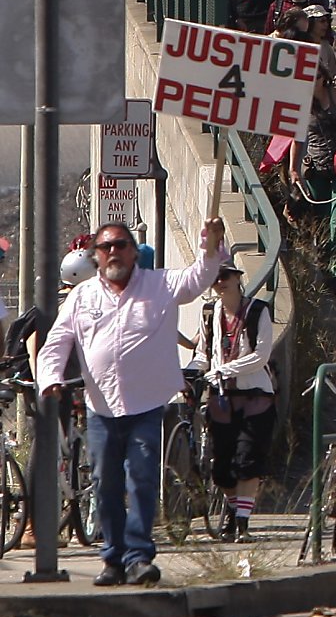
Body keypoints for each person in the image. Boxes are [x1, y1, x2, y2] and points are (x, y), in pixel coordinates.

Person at [38, 215, 227, 586]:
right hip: (101, 408)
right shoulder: (82, 296)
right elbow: (58, 341)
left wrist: (211, 243)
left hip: (146, 405)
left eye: (121, 245)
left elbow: (199, 276)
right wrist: (50, 377)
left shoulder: (160, 285)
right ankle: (113, 559)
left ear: (133, 252)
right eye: (106, 246)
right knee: (105, 483)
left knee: (141, 479)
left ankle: (139, 557)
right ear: (95, 255)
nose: (114, 252)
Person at [196, 258, 276, 541]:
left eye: (226, 276)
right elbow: (203, 352)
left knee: (247, 459)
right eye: (216, 277)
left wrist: (225, 370)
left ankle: (242, 522)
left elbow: (261, 356)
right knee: (221, 468)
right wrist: (195, 371)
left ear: (238, 277)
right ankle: (233, 508)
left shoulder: (258, 311)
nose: (221, 282)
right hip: (221, 397)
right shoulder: (209, 312)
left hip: (255, 396)